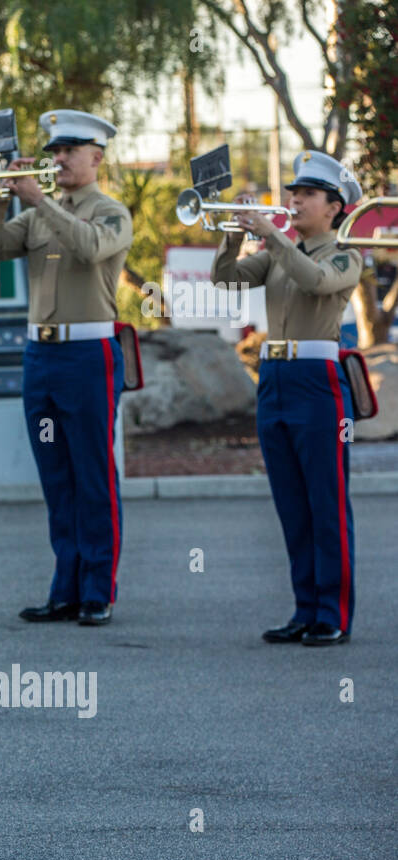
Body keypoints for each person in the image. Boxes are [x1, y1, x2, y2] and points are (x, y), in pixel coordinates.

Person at [0, 109, 132, 626]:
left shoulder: (111, 212)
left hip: (88, 354)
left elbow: (88, 248)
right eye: (54, 151)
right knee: (56, 476)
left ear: (96, 157)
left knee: (93, 475)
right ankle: (65, 588)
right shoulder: (38, 213)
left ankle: (97, 590)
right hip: (41, 356)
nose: (58, 158)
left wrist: (37, 198)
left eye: (69, 150)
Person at [211, 150, 363, 646]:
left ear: (334, 208)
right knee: (292, 504)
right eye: (294, 192)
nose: (295, 200)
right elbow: (225, 279)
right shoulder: (281, 250)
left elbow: (315, 280)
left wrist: (272, 233)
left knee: (326, 501)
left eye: (308, 195)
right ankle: (304, 607)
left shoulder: (345, 253)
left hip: (318, 380)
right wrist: (234, 232)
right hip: (274, 376)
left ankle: (332, 613)